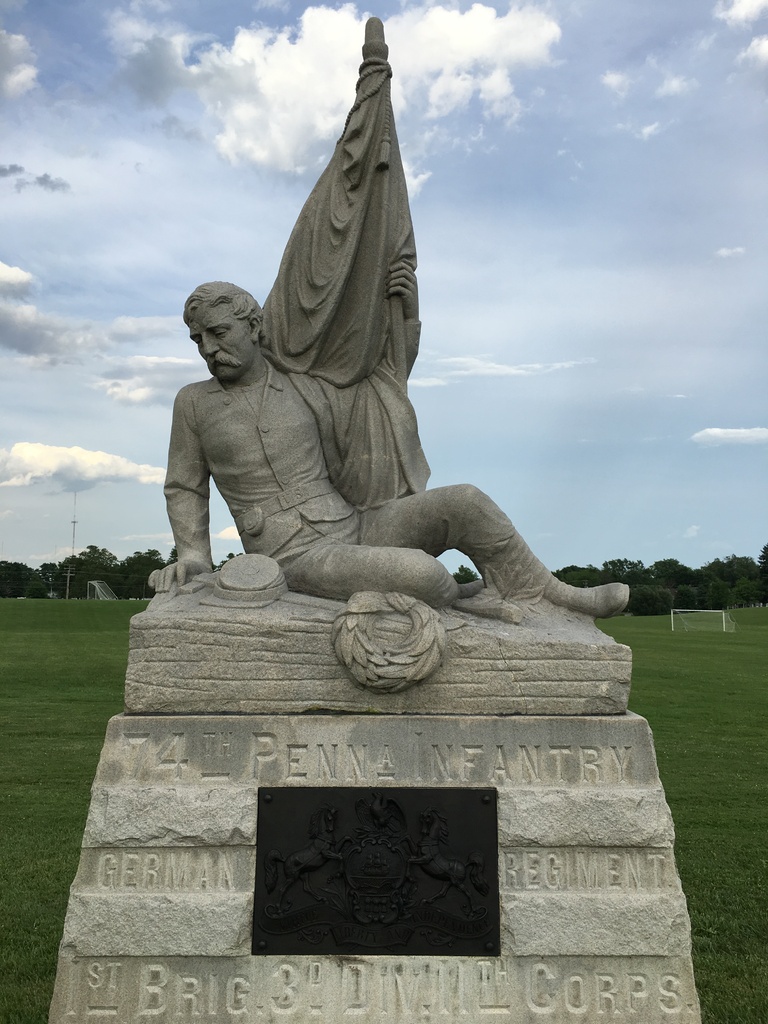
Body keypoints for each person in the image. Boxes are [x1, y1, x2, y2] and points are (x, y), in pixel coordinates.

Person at [152, 279, 628, 623]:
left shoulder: (305, 387)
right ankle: (467, 594)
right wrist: (194, 554)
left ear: (254, 326)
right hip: (293, 555)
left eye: (219, 332)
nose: (208, 349)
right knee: (421, 574)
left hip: (357, 524)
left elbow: (382, 385)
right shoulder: (193, 403)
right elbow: (184, 487)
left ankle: (550, 594)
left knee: (465, 500)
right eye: (198, 339)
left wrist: (406, 313)